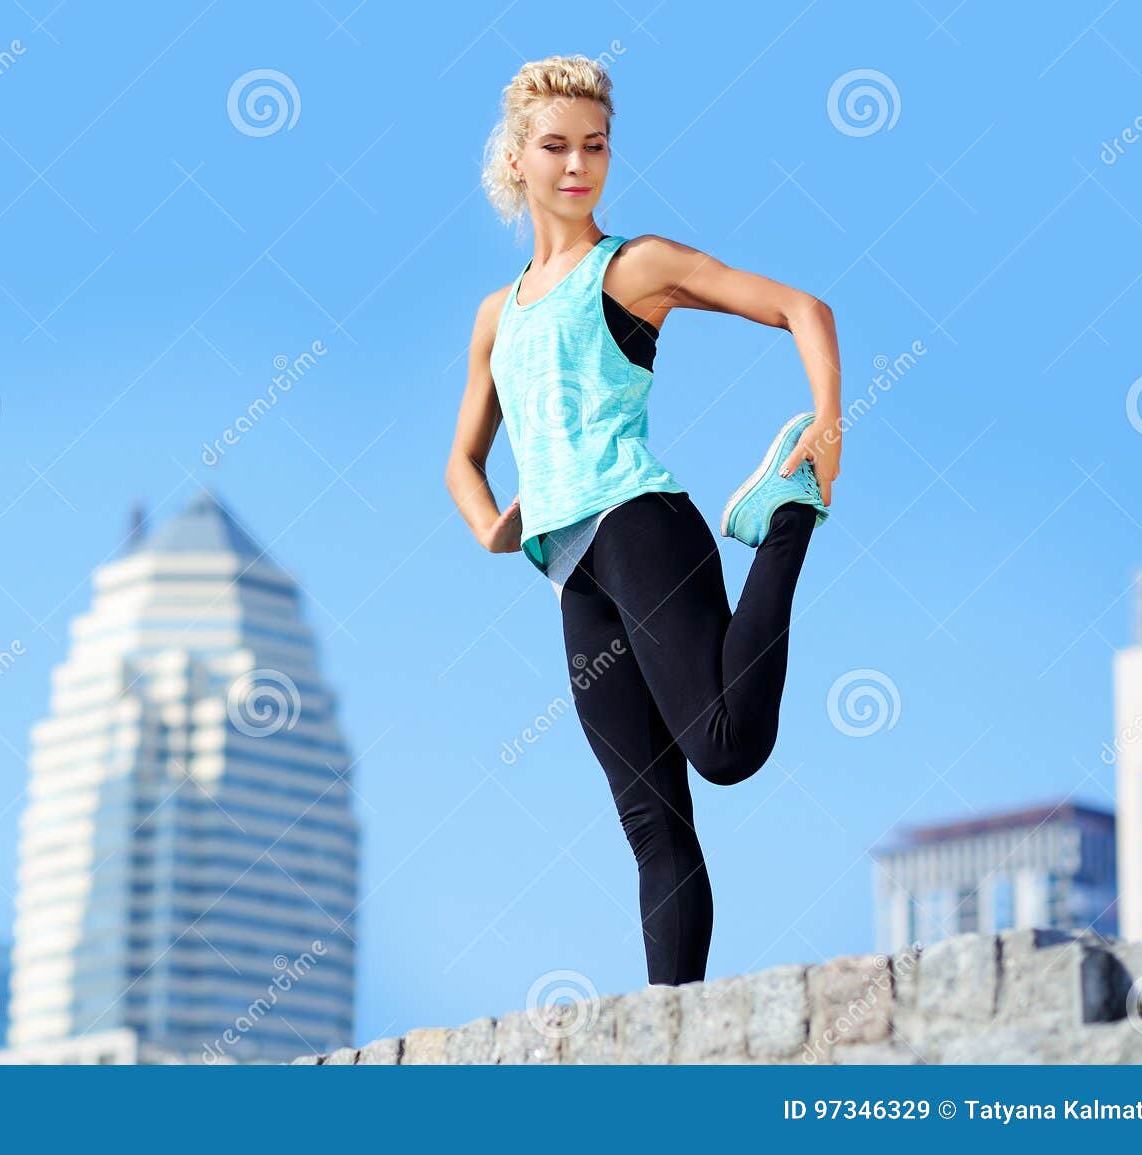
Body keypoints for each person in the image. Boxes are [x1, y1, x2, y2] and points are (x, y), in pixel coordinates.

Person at [444, 54, 843, 986]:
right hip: (571, 574)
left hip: (639, 524)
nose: (577, 165)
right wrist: (491, 527)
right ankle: (669, 1037)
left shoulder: (631, 268)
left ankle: (785, 517)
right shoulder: (493, 317)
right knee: (652, 823)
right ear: (516, 159)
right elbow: (461, 462)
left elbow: (800, 306)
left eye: (595, 146)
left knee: (727, 749)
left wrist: (825, 424)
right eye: (556, 146)